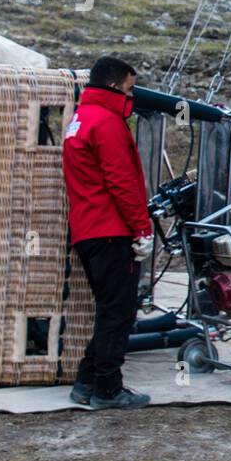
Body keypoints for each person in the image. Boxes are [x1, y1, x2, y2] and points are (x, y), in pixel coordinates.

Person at [62, 55, 154, 410]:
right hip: (111, 230)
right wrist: (141, 228)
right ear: (115, 86)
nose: (132, 97)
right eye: (130, 89)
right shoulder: (109, 123)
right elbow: (122, 182)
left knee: (108, 311)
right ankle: (108, 389)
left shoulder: (80, 120)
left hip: (87, 230)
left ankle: (86, 382)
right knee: (119, 313)